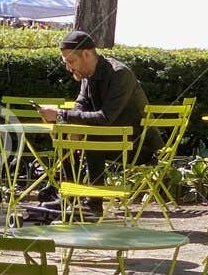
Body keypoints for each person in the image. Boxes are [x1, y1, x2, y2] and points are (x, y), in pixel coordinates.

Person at [39, 30, 163, 170]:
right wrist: (73, 126)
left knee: (92, 138)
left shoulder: (119, 74)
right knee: (64, 132)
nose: (68, 68)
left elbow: (105, 117)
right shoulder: (87, 74)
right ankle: (69, 186)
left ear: (86, 54)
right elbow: (81, 104)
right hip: (113, 140)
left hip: (139, 147)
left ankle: (91, 189)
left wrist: (61, 114)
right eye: (66, 63)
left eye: (71, 62)